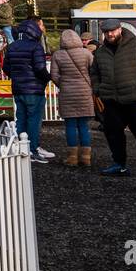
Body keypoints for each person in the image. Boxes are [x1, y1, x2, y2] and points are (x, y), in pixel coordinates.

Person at [90, 19, 136, 177]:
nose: (110, 34)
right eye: (106, 32)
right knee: (113, 134)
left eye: (113, 30)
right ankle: (119, 165)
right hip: (112, 100)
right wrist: (98, 89)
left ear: (120, 29)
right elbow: (94, 73)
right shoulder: (100, 52)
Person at [3, 18, 51, 162]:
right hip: (34, 89)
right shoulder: (36, 47)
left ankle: (21, 149)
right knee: (34, 120)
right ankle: (32, 149)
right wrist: (47, 78)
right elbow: (40, 68)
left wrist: (16, 76)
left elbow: (6, 67)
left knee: (21, 119)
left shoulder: (12, 46)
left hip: (18, 88)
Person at [50, 27, 95, 167]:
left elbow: (54, 76)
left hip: (67, 94)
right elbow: (94, 72)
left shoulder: (57, 55)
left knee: (70, 125)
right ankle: (86, 157)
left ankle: (72, 158)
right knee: (83, 125)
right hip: (84, 93)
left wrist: (63, 84)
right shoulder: (86, 53)